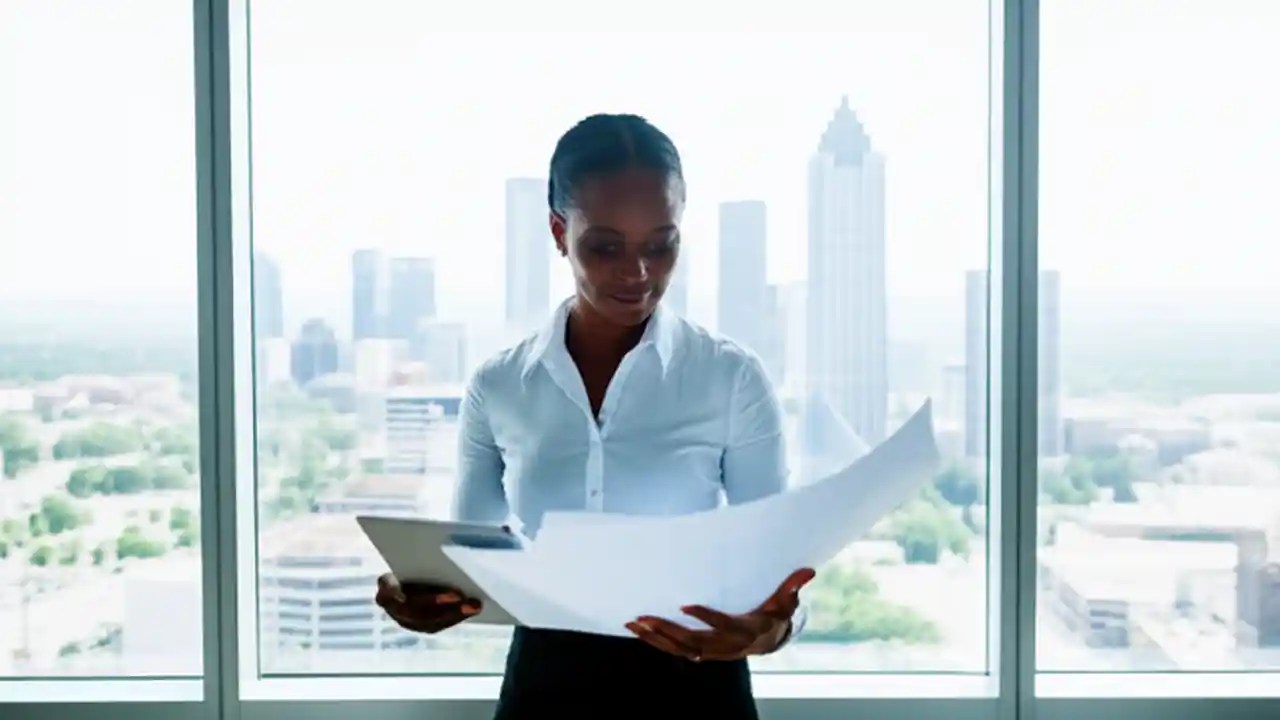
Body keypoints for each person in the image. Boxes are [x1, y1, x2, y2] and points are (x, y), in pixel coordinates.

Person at [374, 113, 814, 717]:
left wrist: (771, 630)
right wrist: (423, 601)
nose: (638, 273)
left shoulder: (730, 378)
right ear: (559, 231)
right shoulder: (500, 386)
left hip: (697, 694)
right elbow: (470, 572)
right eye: (606, 246)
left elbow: (779, 578)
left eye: (661, 245)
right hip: (546, 693)